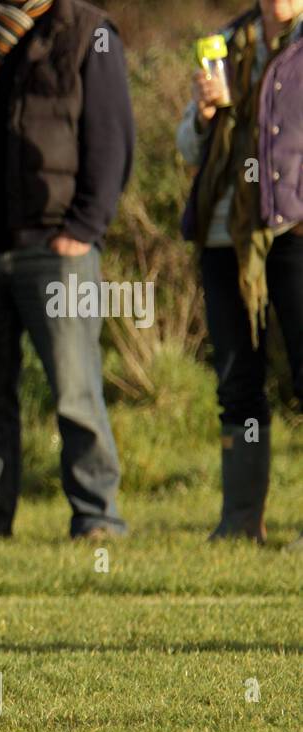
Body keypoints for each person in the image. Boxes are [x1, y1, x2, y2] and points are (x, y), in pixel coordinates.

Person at [0, 0, 134, 541]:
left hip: (57, 247)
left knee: (75, 389)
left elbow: (112, 139)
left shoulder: (89, 32)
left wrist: (84, 228)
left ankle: (97, 516)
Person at [178, 0, 303, 546]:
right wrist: (203, 116)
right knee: (236, 382)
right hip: (224, 232)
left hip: (293, 230)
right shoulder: (227, 43)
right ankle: (240, 520)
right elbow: (189, 148)